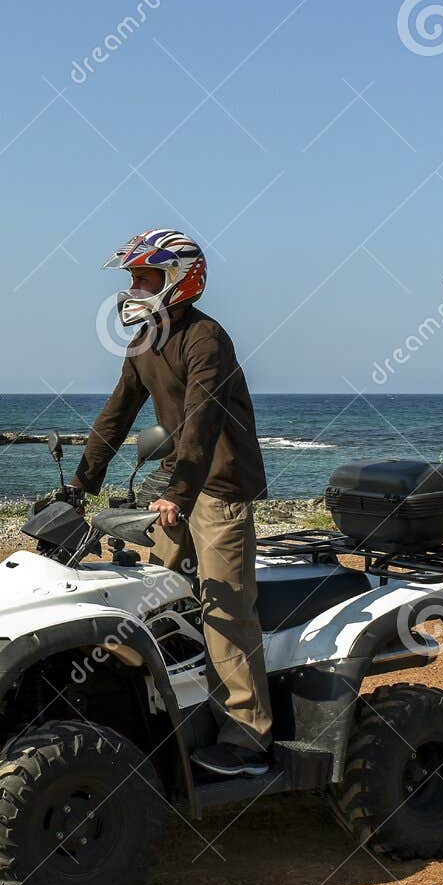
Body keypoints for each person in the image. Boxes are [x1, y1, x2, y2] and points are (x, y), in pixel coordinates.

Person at [70, 230, 274, 776]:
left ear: (180, 281)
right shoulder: (144, 342)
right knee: (158, 596)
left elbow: (204, 421)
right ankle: (175, 712)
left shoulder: (206, 339)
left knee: (224, 606)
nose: (133, 289)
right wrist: (81, 482)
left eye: (144, 278)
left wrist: (180, 496)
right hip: (177, 480)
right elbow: (117, 414)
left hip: (219, 484)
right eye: (132, 278)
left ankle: (247, 739)